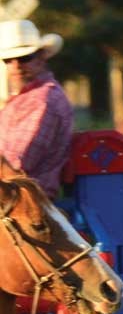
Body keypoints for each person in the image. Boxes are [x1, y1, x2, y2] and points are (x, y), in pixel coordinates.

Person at [0, 19, 74, 196]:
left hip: (22, 204)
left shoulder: (43, 100)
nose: (16, 66)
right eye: (8, 59)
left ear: (41, 57)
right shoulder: (22, 99)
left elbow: (15, 164)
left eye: (24, 58)